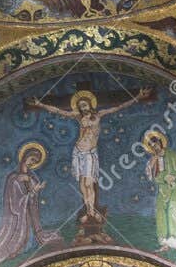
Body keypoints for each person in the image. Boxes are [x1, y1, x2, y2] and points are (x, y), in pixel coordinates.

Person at [25, 88, 150, 217]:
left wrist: (137, 97)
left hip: (90, 153)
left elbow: (118, 107)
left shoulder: (99, 115)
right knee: (82, 184)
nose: (82, 108)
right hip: (78, 152)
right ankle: (88, 210)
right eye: (80, 106)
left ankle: (91, 211)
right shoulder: (78, 117)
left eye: (84, 105)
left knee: (89, 183)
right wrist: (40, 104)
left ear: (90, 104)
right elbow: (58, 111)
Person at [0, 141, 56, 265]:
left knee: (28, 240)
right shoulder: (13, 178)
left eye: (35, 161)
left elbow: (32, 197)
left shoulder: (32, 177)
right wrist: (33, 191)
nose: (32, 163)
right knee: (14, 241)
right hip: (16, 217)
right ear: (25, 157)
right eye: (31, 159)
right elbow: (14, 201)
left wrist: (35, 190)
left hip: (27, 214)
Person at [143, 130, 176, 254]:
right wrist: (153, 163)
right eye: (152, 146)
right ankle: (165, 243)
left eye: (156, 144)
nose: (155, 147)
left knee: (173, 212)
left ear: (161, 143)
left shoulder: (172, 155)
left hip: (174, 189)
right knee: (161, 215)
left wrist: (173, 178)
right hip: (162, 190)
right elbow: (151, 175)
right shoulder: (154, 158)